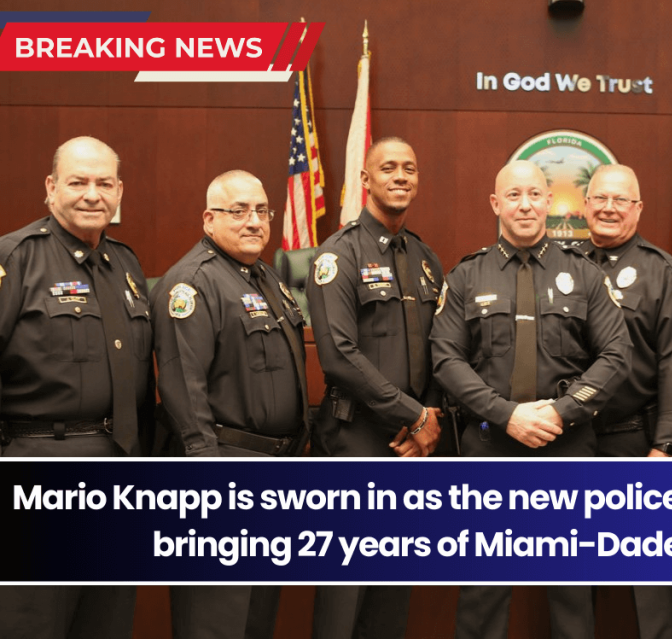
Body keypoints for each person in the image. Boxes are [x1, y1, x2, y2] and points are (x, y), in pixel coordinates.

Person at [431, 159, 631, 639]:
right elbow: (445, 360)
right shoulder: (466, 275)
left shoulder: (582, 274)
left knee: (571, 594)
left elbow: (617, 355)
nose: (525, 205)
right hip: (489, 449)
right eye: (513, 195)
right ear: (496, 204)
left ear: (550, 202)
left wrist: (561, 412)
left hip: (567, 447)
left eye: (534, 194)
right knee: (483, 592)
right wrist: (508, 415)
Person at [0, 136, 152, 637]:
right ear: (50, 188)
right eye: (78, 182)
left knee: (106, 619)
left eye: (104, 183)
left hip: (119, 467)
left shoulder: (125, 266)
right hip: (40, 467)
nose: (92, 194)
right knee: (34, 621)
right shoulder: (16, 259)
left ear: (119, 191)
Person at [152, 170, 306, 638]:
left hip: (274, 469)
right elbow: (183, 386)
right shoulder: (192, 284)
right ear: (209, 218)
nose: (254, 221)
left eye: (262, 210)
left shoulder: (266, 278)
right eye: (238, 211)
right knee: (215, 619)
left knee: (257, 615)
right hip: (224, 469)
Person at [305, 137, 443, 639]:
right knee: (346, 592)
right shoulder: (337, 255)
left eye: (410, 168)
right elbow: (340, 357)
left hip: (412, 447)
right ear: (365, 179)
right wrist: (414, 414)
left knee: (391, 591)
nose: (400, 176)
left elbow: (440, 350)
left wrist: (429, 416)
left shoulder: (425, 257)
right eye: (388, 168)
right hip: (355, 441)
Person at [578, 164, 672, 639]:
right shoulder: (563, 262)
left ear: (638, 208)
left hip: (636, 443)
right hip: (573, 442)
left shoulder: (664, 270)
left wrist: (665, 445)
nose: (609, 208)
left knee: (648, 582)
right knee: (573, 578)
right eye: (600, 199)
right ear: (585, 206)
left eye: (621, 201)